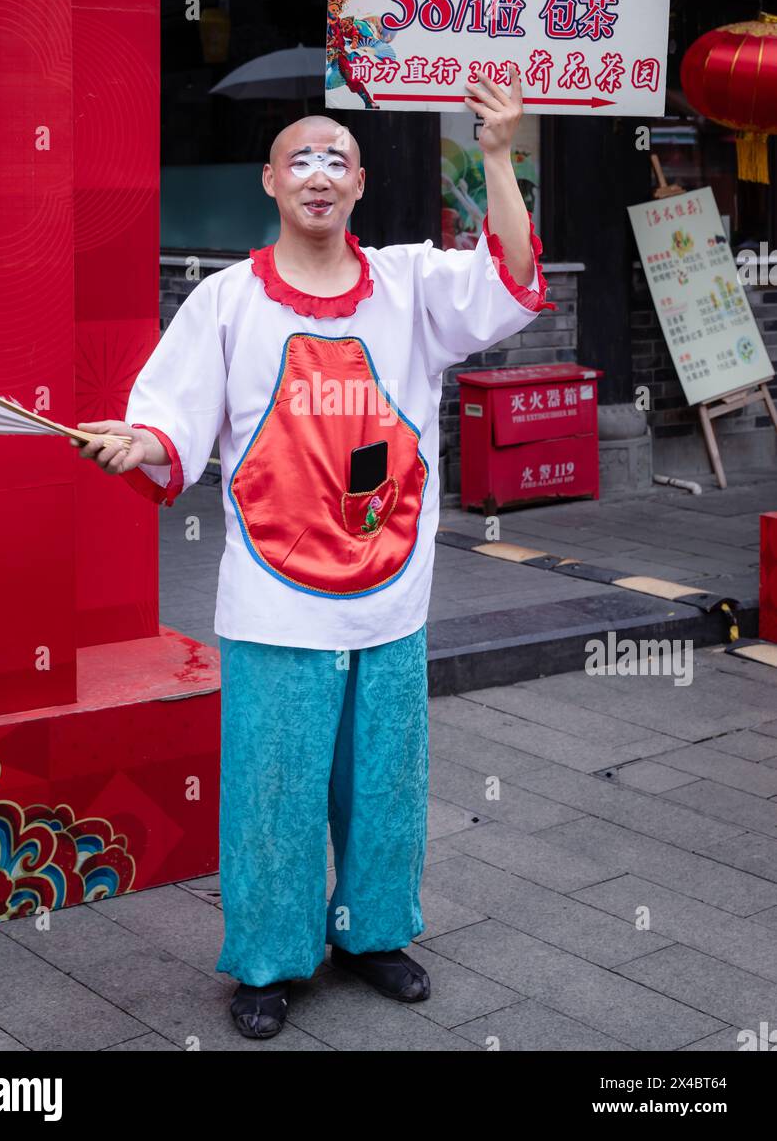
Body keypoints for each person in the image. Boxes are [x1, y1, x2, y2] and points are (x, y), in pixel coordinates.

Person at [72, 68, 554, 1041]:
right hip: (273, 602)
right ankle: (269, 957)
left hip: (387, 597)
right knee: (272, 789)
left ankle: (372, 932)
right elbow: (170, 422)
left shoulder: (412, 285)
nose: (319, 173)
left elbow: (510, 282)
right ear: (269, 182)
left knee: (383, 784)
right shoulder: (223, 304)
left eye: (337, 158)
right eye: (301, 159)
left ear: (362, 182)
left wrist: (499, 155)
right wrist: (138, 442)